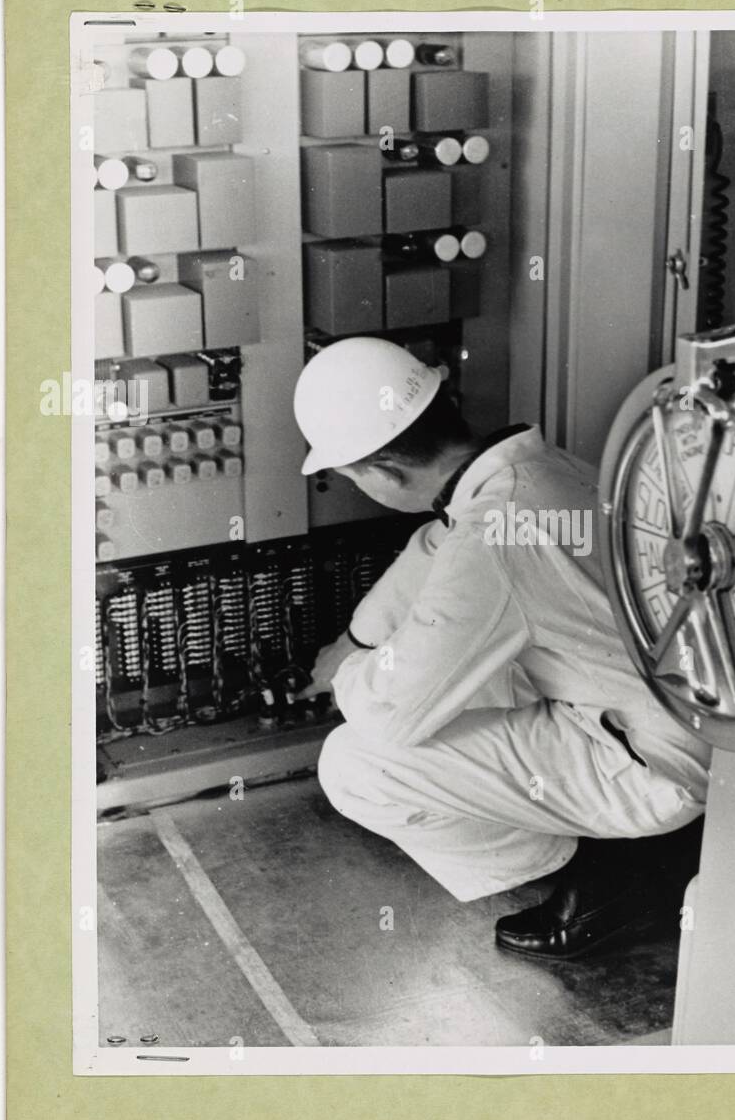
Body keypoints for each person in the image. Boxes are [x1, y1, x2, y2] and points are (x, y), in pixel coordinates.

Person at [295, 337, 711, 960]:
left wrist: (352, 674)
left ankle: (615, 870)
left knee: (356, 761)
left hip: (649, 768)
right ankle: (628, 847)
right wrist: (356, 639)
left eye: (353, 477)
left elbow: (392, 713)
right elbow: (436, 545)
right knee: (469, 679)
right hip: (688, 721)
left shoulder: (494, 533)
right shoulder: (536, 472)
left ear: (382, 474)